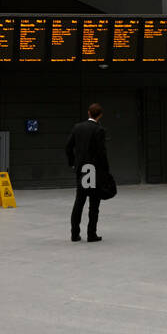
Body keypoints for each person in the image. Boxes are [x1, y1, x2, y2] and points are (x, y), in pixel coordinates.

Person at [66, 103, 109, 242]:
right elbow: (102, 153)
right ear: (100, 115)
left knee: (79, 201)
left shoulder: (77, 127)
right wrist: (105, 171)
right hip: (93, 170)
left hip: (81, 169)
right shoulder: (99, 130)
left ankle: (74, 233)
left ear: (89, 113)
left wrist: (73, 162)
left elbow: (68, 147)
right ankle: (91, 234)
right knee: (94, 203)